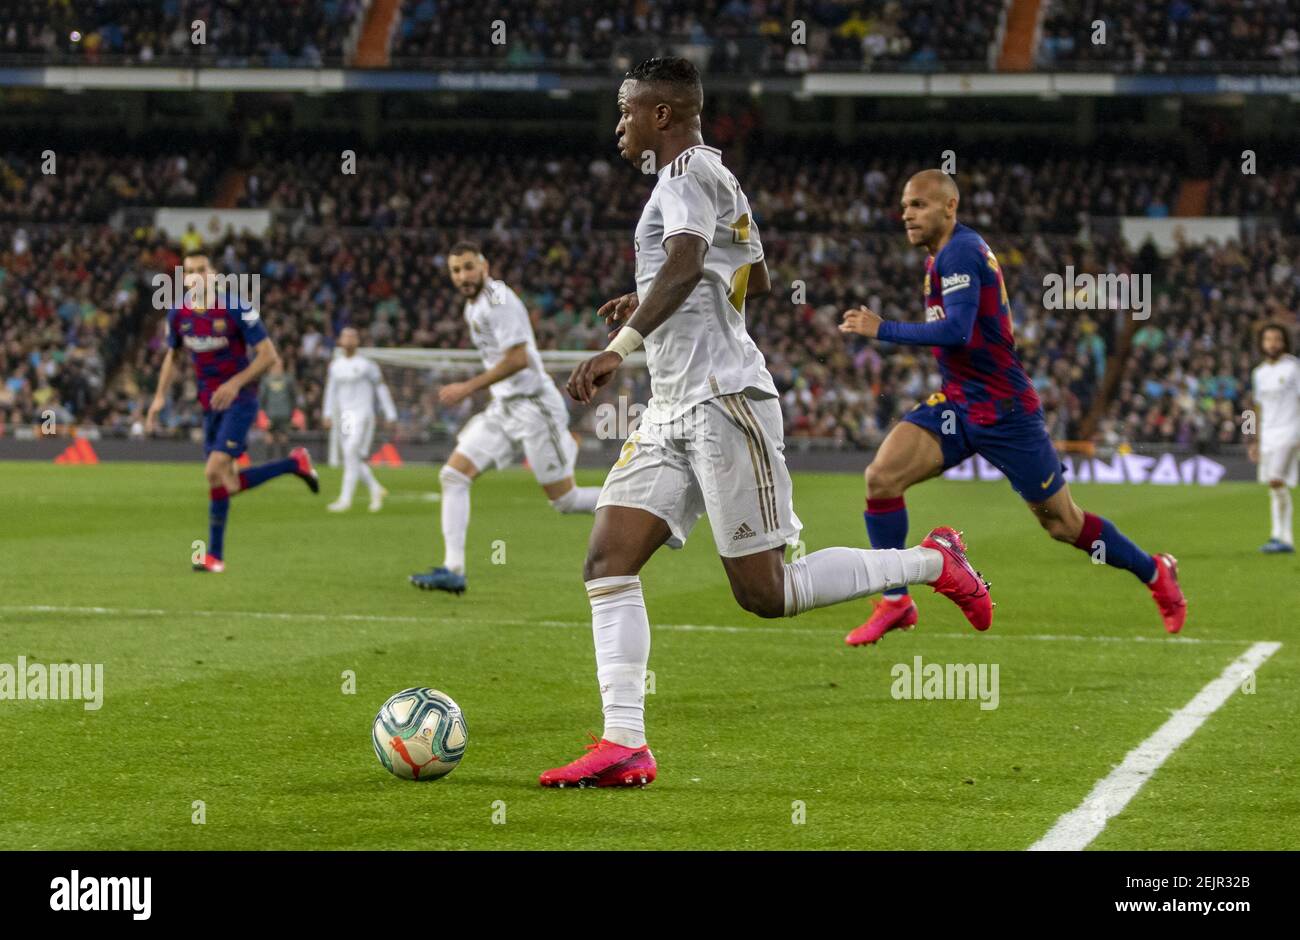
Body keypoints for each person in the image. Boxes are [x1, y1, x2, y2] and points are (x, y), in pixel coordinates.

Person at [539, 58, 991, 789]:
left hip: (724, 401)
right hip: (671, 406)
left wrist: (622, 345)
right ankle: (625, 743)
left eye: (626, 111)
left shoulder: (686, 175)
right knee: (606, 561)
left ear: (663, 115)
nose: (617, 125)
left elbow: (689, 260)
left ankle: (935, 562)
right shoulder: (711, 176)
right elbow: (755, 275)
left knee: (765, 593)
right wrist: (654, 293)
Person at [838, 169, 1185, 646]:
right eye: (904, 206)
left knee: (1064, 524)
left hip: (1006, 413)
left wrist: (884, 329)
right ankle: (896, 601)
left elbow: (957, 330)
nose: (907, 215)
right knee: (881, 478)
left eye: (918, 204)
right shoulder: (939, 257)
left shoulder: (960, 250)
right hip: (958, 404)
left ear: (949, 207)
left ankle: (1155, 572)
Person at [409, 242, 603, 594]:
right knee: (453, 475)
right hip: (504, 408)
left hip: (534, 407)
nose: (463, 276)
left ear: (484, 265)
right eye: (456, 271)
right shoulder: (474, 308)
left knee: (565, 501)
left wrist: (467, 387)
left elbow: (518, 359)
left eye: (469, 267)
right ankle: (454, 570)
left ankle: (642, 506)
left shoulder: (500, 301)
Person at [145, 253, 317, 573]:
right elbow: (173, 356)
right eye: (190, 272)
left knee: (213, 471)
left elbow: (269, 356)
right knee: (231, 483)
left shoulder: (236, 308)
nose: (196, 276)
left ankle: (214, 556)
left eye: (202, 271)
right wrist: (158, 398)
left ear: (212, 275)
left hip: (240, 400)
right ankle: (295, 463)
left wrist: (236, 383)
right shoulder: (179, 314)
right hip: (210, 404)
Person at [323, 327, 396, 512]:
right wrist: (327, 413)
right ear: (340, 341)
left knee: (350, 451)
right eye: (345, 335)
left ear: (357, 341)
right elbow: (330, 391)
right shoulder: (335, 366)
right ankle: (375, 488)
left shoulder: (367, 365)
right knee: (352, 455)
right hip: (346, 416)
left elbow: (381, 388)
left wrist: (390, 413)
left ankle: (345, 500)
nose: (348, 339)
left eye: (352, 336)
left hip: (363, 414)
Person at [1249, 323, 1300, 553]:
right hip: (1267, 435)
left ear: (1284, 342)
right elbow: (1254, 408)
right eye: (1268, 339)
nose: (1272, 343)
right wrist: (1252, 439)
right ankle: (1278, 537)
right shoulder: (1258, 373)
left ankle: (1284, 539)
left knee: (1275, 480)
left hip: (1290, 432)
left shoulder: (1293, 368)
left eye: (1277, 339)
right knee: (1274, 487)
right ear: (1262, 343)